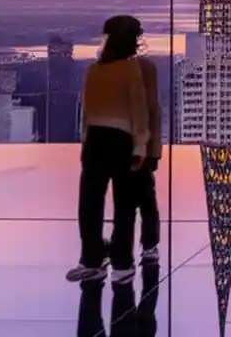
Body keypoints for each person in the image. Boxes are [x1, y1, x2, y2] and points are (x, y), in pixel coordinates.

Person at [66, 15, 150, 284]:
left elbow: (86, 112)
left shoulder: (94, 70)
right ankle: (122, 264)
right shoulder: (130, 70)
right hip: (121, 141)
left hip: (95, 140)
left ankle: (92, 259)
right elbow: (138, 112)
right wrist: (140, 146)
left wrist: (85, 143)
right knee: (124, 204)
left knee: (90, 203)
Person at [133, 31, 162, 266]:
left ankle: (148, 244)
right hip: (128, 145)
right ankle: (145, 246)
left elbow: (153, 110)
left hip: (136, 145)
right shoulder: (108, 69)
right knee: (141, 198)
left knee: (141, 198)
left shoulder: (145, 69)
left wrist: (153, 150)